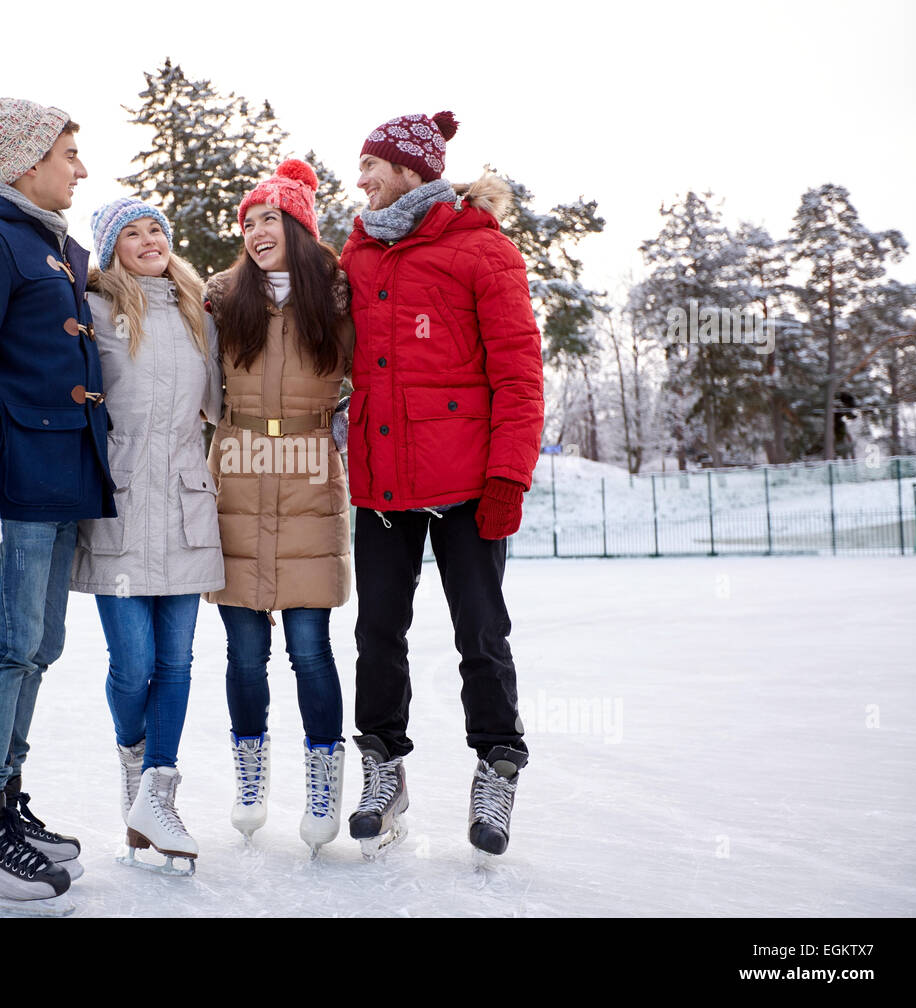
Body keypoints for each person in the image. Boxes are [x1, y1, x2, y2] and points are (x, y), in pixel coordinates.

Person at [340, 111, 545, 865]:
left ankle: (496, 766)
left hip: (469, 486)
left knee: (481, 636)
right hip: (383, 484)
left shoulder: (481, 251)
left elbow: (519, 371)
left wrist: (507, 477)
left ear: (410, 169)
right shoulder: (358, 257)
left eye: (370, 166)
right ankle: (383, 773)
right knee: (376, 636)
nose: (359, 180)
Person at [0, 87, 115, 912]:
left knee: (37, 648)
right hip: (7, 485)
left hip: (57, 480)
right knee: (5, 645)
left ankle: (6, 801)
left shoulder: (55, 249)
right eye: (69, 154)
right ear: (27, 162)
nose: (81, 169)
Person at [203, 159, 355, 856]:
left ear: (299, 225)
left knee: (309, 647)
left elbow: (364, 384)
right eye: (249, 221)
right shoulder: (223, 297)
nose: (258, 231)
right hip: (235, 473)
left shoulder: (341, 298)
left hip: (307, 475)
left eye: (272, 218)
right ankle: (250, 773)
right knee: (242, 651)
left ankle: (324, 780)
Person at [69, 198, 224, 875]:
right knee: (133, 664)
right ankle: (134, 767)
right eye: (130, 233)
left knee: (180, 661)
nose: (147, 239)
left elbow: (226, 404)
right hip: (123, 503)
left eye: (155, 228)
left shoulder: (200, 315)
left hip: (189, 502)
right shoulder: (95, 311)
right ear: (111, 251)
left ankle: (160, 790)